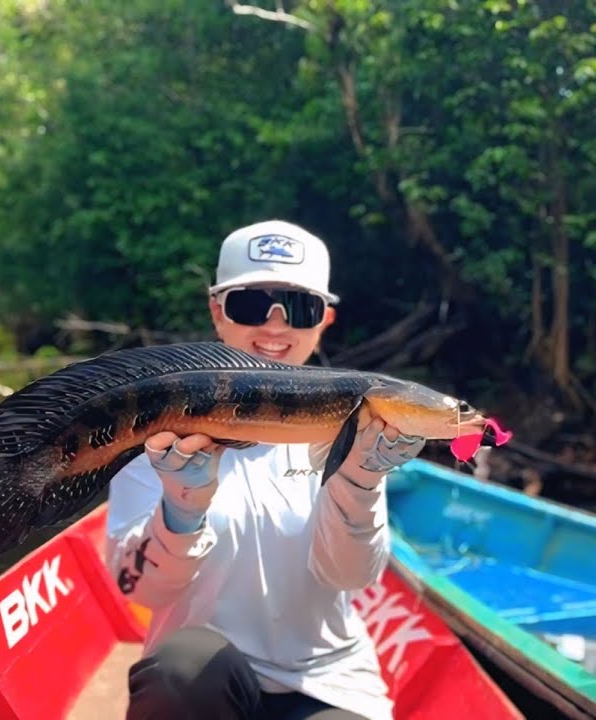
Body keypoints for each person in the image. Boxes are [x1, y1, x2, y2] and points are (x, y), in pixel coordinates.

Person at [106, 220, 425, 720]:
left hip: (325, 681)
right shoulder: (159, 425)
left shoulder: (356, 424)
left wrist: (359, 482)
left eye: (299, 308)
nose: (275, 327)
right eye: (252, 304)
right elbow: (142, 590)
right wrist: (181, 509)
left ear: (324, 321)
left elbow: (350, 575)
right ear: (217, 311)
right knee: (179, 668)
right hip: (201, 680)